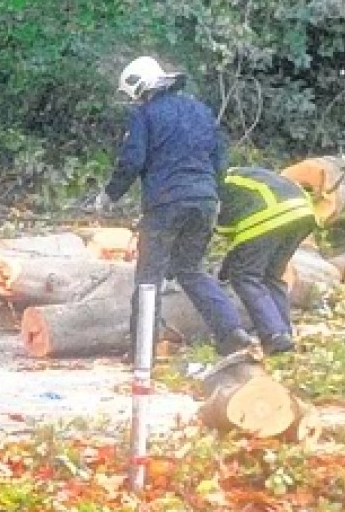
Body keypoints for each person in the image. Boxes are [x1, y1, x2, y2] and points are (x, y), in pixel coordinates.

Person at [91, 56, 255, 356]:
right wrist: (214, 195)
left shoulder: (146, 114)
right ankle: (232, 332)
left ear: (140, 89)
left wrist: (109, 194)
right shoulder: (200, 111)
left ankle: (143, 349)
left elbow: (132, 160)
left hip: (167, 203)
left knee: (148, 277)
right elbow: (219, 159)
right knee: (190, 269)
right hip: (204, 200)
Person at [216, 167, 317, 355]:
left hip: (271, 213)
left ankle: (274, 335)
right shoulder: (241, 176)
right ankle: (284, 333)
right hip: (303, 211)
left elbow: (228, 229)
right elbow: (241, 236)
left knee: (245, 276)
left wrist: (228, 265)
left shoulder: (220, 184)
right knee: (272, 275)